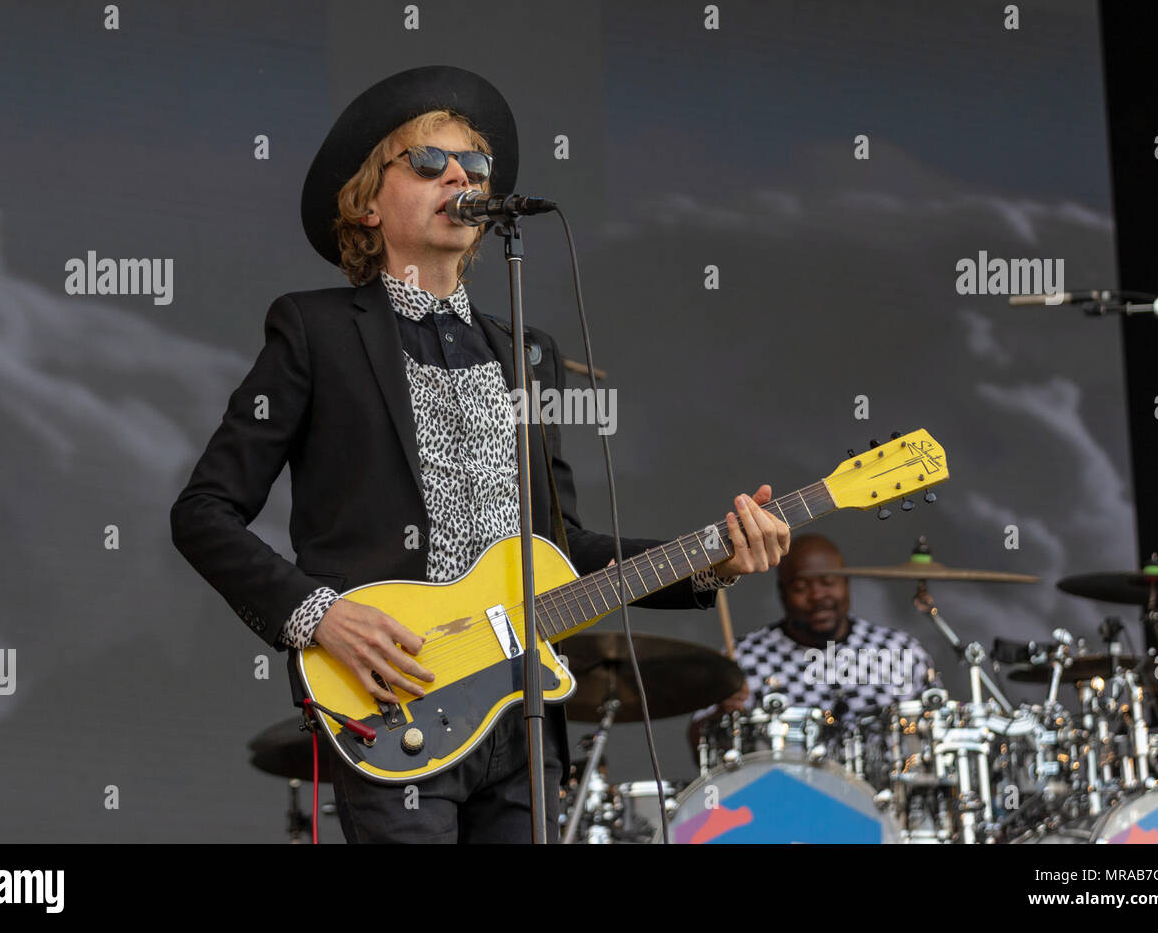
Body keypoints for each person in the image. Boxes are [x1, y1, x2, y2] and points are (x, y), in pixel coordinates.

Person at [170, 65, 790, 842]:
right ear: (366, 203)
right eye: (429, 162)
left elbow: (564, 551)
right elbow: (204, 513)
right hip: (394, 699)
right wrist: (320, 617)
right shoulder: (315, 332)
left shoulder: (526, 352)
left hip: (523, 721)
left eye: (475, 167)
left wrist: (713, 558)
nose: (460, 176)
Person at [689, 533, 934, 750]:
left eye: (828, 582)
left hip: (885, 797)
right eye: (801, 587)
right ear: (782, 593)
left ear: (846, 584)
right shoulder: (744, 657)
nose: (817, 596)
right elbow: (699, 743)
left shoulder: (899, 651)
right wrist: (722, 715)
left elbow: (938, 726)